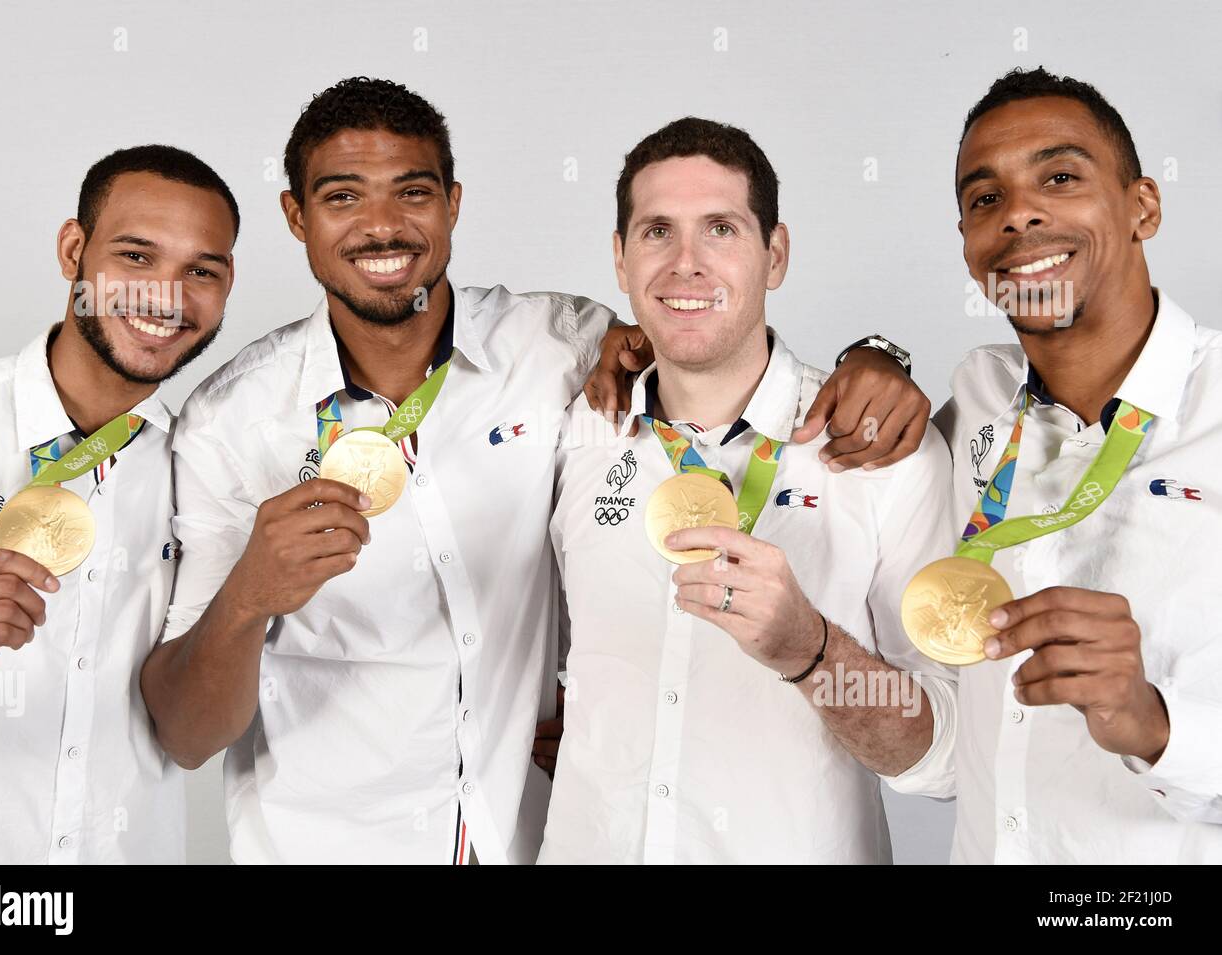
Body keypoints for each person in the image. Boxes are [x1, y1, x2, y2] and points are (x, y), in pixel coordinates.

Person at [140, 77, 930, 864]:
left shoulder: (556, 348)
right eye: (343, 196)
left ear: (453, 203)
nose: (381, 226)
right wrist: (248, 595)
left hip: (526, 840)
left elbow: (696, 320)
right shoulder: (226, 424)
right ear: (296, 216)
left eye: (411, 192)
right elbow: (185, 733)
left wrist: (879, 357)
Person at [537, 117, 958, 864]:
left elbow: (946, 754)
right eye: (657, 231)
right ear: (620, 258)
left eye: (721, 229)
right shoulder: (568, 427)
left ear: (776, 254)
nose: (685, 264)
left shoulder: (885, 448)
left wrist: (814, 652)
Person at [934, 67, 1222, 863]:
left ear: (1143, 207)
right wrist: (874, 356)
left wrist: (1154, 721)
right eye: (984, 199)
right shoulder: (975, 399)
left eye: (1060, 177)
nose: (1019, 213)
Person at [0, 145, 238, 863]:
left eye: (202, 271)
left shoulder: (213, 473)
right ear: (74, 249)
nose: (167, 295)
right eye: (136, 256)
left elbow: (192, 738)